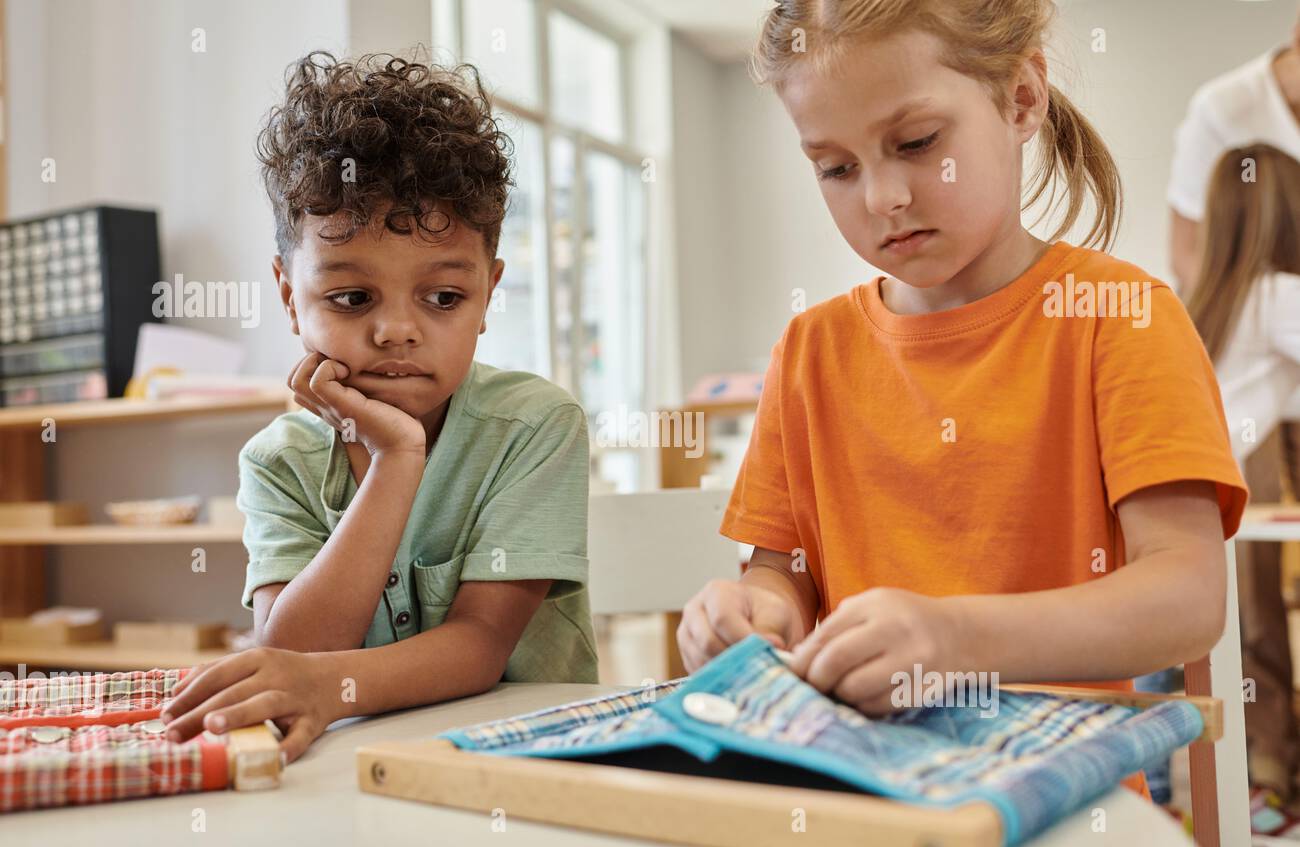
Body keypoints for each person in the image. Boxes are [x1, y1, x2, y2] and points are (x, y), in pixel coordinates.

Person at [677, 0, 1249, 801]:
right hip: (855, 794)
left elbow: (1186, 598)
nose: (881, 197)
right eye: (834, 167)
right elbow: (786, 579)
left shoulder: (1121, 317)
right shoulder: (809, 350)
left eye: (916, 144)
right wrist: (750, 612)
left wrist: (953, 638)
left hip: (1060, 805)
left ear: (1021, 100)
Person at [159, 52, 597, 763]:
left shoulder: (535, 426)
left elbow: (481, 646)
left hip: (528, 767)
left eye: (444, 298)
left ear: (488, 294)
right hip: (352, 774)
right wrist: (396, 460)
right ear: (287, 294)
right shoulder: (278, 463)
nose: (397, 330)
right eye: (353, 298)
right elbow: (293, 651)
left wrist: (332, 687)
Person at [1188, 143, 1300, 841]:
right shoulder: (1280, 293)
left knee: (1237, 645)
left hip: (1201, 486)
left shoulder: (1210, 300)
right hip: (1247, 477)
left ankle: (1254, 786)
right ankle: (1270, 784)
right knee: (1263, 633)